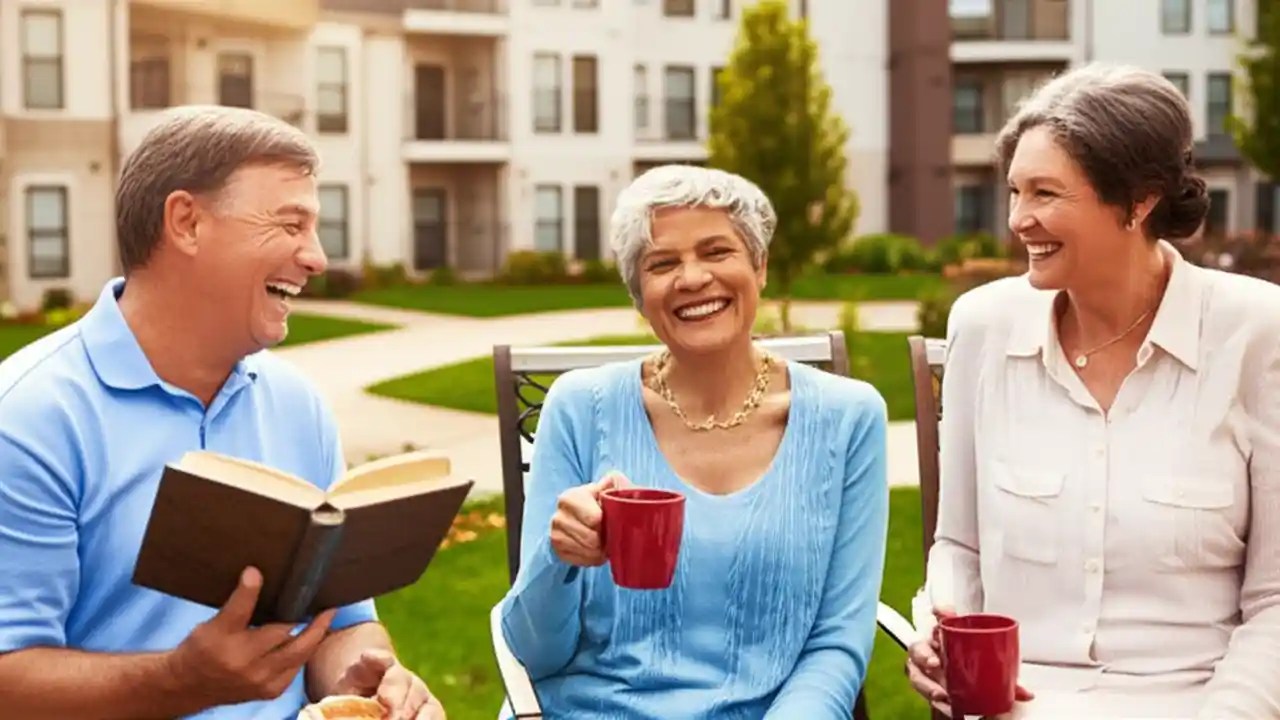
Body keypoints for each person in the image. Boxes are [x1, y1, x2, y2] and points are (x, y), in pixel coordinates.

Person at [0, 106, 446, 720]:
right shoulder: (30, 417)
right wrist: (181, 681)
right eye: (291, 224)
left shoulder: (298, 405)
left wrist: (367, 679)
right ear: (186, 222)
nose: (316, 257)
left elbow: (344, 623)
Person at [905, 63, 1280, 718]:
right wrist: (943, 630)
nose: (1020, 220)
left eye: (1046, 194)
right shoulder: (985, 326)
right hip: (1014, 706)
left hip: (1195, 703)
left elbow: (1276, 600)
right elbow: (957, 546)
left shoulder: (1257, 334)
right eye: (1014, 192)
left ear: (1139, 200)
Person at [497, 164, 890, 718]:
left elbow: (837, 642)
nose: (692, 278)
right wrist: (557, 558)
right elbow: (533, 654)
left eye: (716, 251)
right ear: (640, 295)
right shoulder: (579, 408)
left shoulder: (849, 419)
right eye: (662, 264)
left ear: (760, 266)